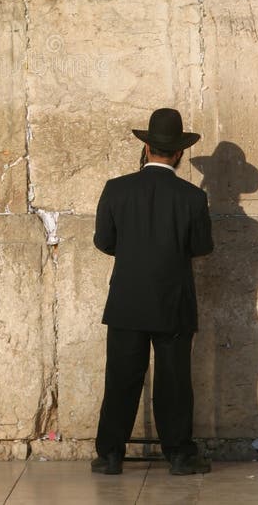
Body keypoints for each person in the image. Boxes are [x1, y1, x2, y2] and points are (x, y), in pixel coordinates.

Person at [92, 108, 213, 476]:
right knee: (174, 380)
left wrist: (134, 255)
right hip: (173, 301)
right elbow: (202, 246)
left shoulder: (116, 189)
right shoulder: (192, 197)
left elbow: (104, 241)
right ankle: (179, 455)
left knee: (121, 378)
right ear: (179, 153)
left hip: (127, 299)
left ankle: (110, 455)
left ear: (146, 148)